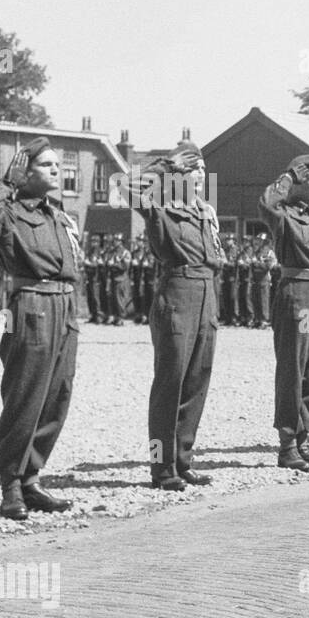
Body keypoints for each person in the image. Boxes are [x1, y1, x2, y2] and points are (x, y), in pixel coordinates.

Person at [0, 139, 80, 520]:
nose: (56, 170)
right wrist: (6, 182)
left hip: (66, 307)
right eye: (46, 165)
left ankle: (31, 478)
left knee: (57, 396)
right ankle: (11, 485)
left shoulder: (57, 213)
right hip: (31, 305)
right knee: (25, 395)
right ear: (25, 172)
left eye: (57, 165)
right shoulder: (10, 211)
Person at [130, 140, 223, 490]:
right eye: (191, 169)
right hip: (177, 292)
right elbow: (127, 186)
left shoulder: (204, 211)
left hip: (205, 293)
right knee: (169, 384)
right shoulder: (160, 206)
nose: (198, 175)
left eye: (201, 169)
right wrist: (166, 164)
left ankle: (182, 460)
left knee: (196, 382)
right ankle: (160, 465)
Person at [260, 153, 309, 471]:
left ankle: (303, 439)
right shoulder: (284, 215)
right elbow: (266, 204)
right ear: (296, 181)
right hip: (300, 297)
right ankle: (287, 444)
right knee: (295, 367)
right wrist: (287, 177)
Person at [105, 232, 131, 325]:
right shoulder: (112, 252)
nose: (115, 242)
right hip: (112, 278)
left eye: (117, 240)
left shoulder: (125, 252)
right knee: (112, 298)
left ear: (121, 242)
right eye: (114, 240)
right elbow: (107, 261)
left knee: (119, 298)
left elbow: (125, 266)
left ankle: (121, 317)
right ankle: (114, 316)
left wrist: (114, 264)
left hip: (121, 278)